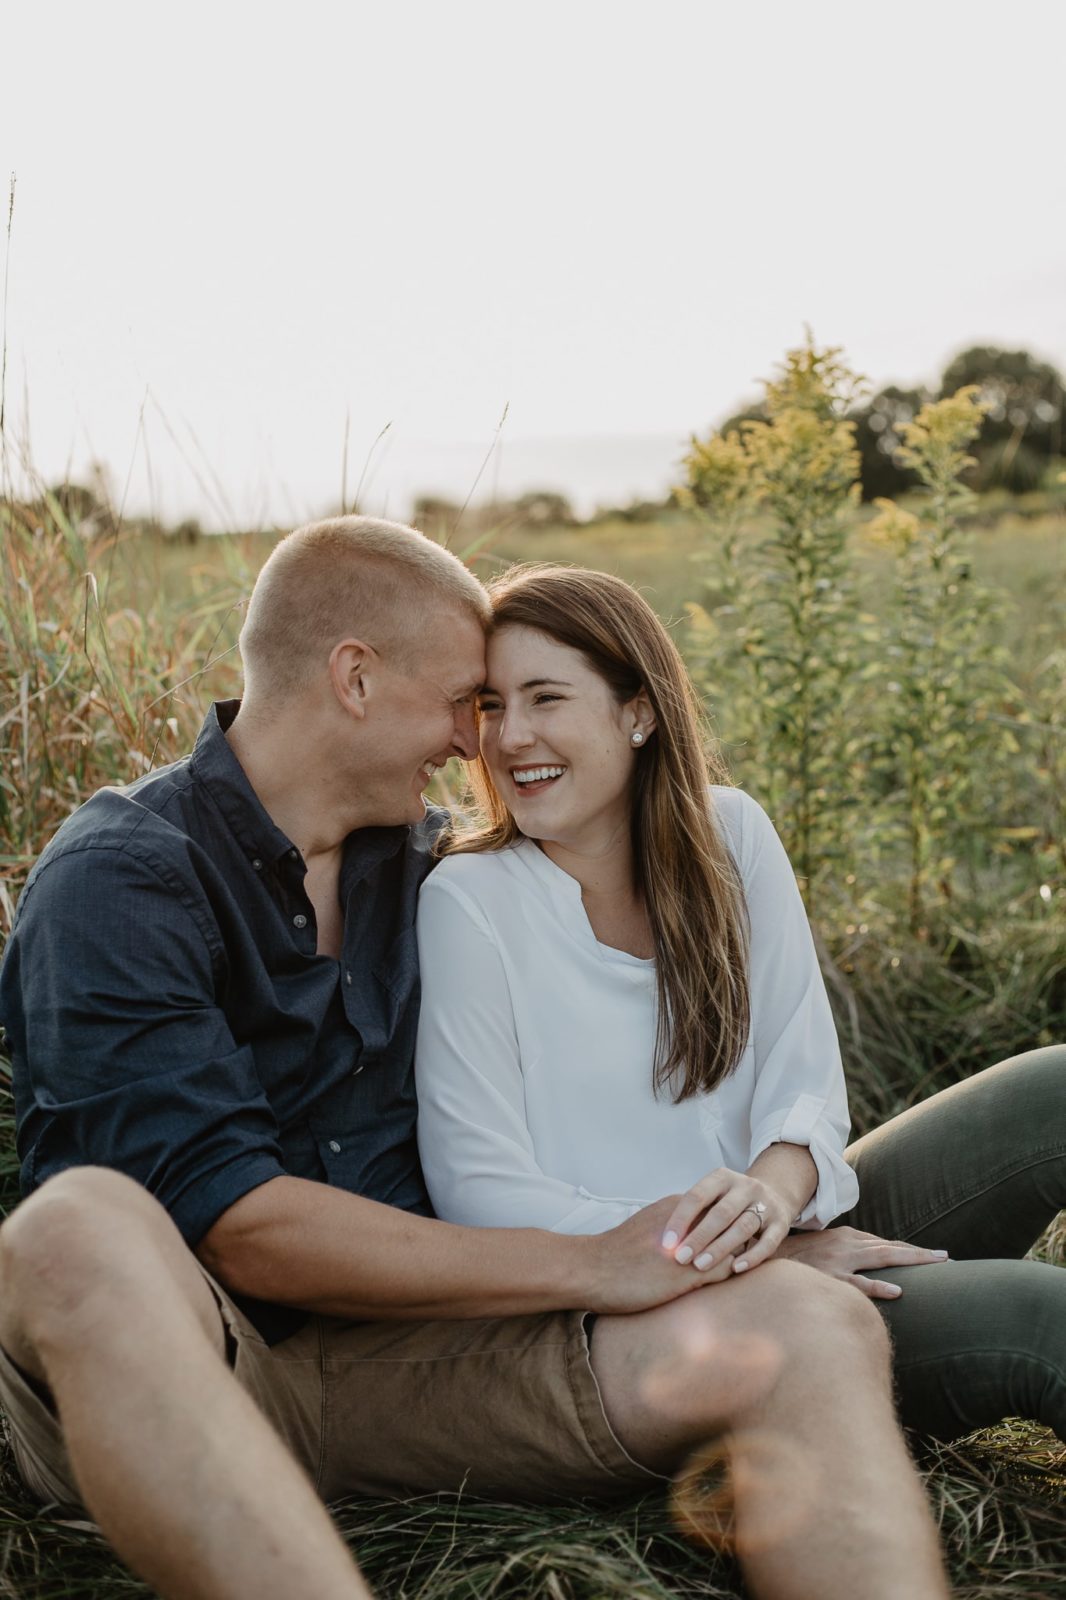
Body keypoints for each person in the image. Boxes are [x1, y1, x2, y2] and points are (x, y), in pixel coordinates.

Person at [0, 518, 952, 1600]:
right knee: (73, 1229)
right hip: (196, 1362)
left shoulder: (417, 869)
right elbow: (241, 1229)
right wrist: (605, 1260)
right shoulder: (123, 878)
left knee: (808, 1321)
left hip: (421, 1362)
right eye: (466, 698)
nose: (474, 743)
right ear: (354, 678)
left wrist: (750, 1242)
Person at [414, 566, 1066, 1504]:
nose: (510, 737)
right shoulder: (469, 903)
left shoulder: (732, 838)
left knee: (1052, 1092)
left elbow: (803, 1091)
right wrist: (751, 1254)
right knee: (1040, 1317)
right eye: (489, 704)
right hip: (657, 1324)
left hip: (782, 1227)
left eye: (546, 697)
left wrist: (768, 1202)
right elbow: (481, 1193)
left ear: (638, 712)